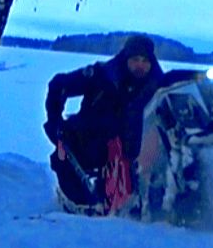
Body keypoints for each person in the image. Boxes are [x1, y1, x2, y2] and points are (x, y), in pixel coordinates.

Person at [43, 34, 201, 213]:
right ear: (125, 58)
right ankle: (78, 208)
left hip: (131, 148)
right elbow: (59, 85)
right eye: (135, 60)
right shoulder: (100, 75)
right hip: (87, 140)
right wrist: (54, 121)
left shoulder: (157, 84)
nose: (140, 65)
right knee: (65, 159)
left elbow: (175, 80)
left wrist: (199, 76)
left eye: (145, 60)